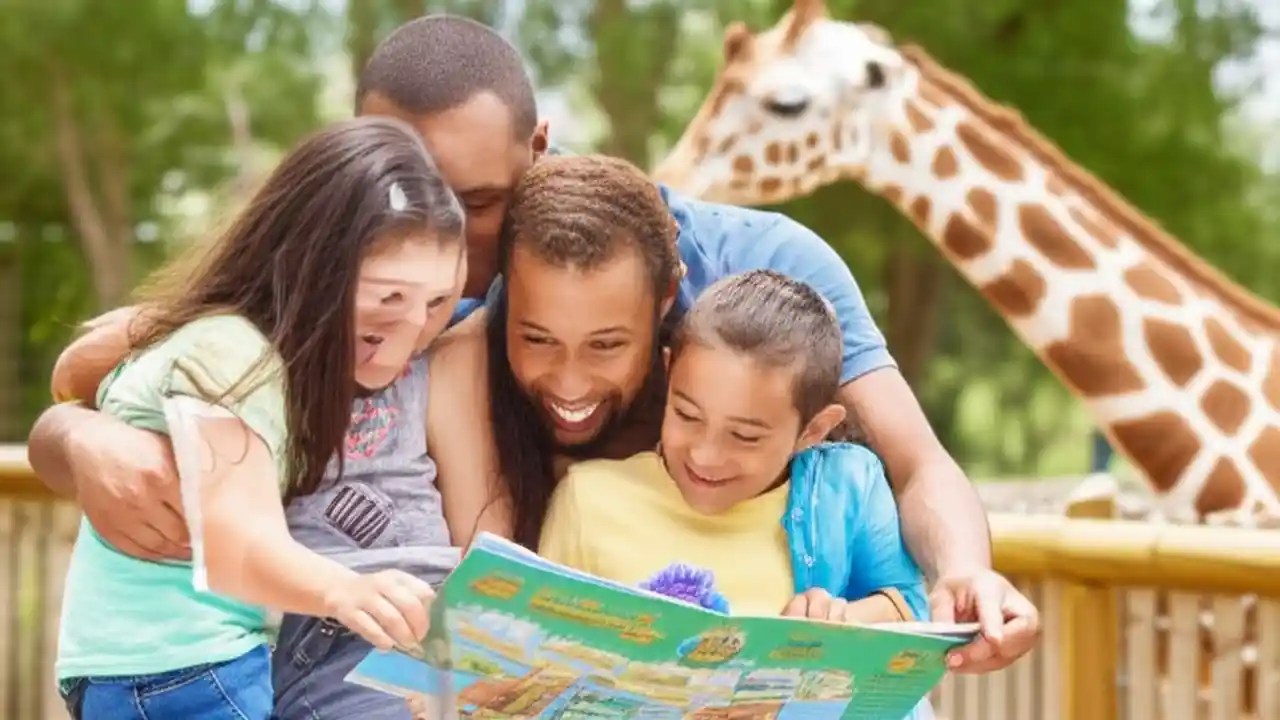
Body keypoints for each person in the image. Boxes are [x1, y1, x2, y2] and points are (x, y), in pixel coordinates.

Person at [29, 15, 1036, 675]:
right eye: (403, 193)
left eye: (474, 203)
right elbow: (130, 362)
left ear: (538, 153)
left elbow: (915, 460)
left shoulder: (754, 267)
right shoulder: (376, 283)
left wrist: (968, 575)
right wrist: (76, 442)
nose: (437, 239)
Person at [50, 116, 463, 719]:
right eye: (387, 299)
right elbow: (239, 542)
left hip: (176, 666)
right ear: (311, 264)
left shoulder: (234, 344)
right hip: (180, 670)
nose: (412, 330)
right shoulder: (232, 353)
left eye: (436, 302)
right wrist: (346, 590)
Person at [539, 269, 934, 718]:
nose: (705, 455)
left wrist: (838, 623)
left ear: (813, 430)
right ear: (668, 373)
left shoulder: (842, 489)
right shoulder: (589, 499)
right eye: (687, 415)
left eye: (744, 437)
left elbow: (914, 617)